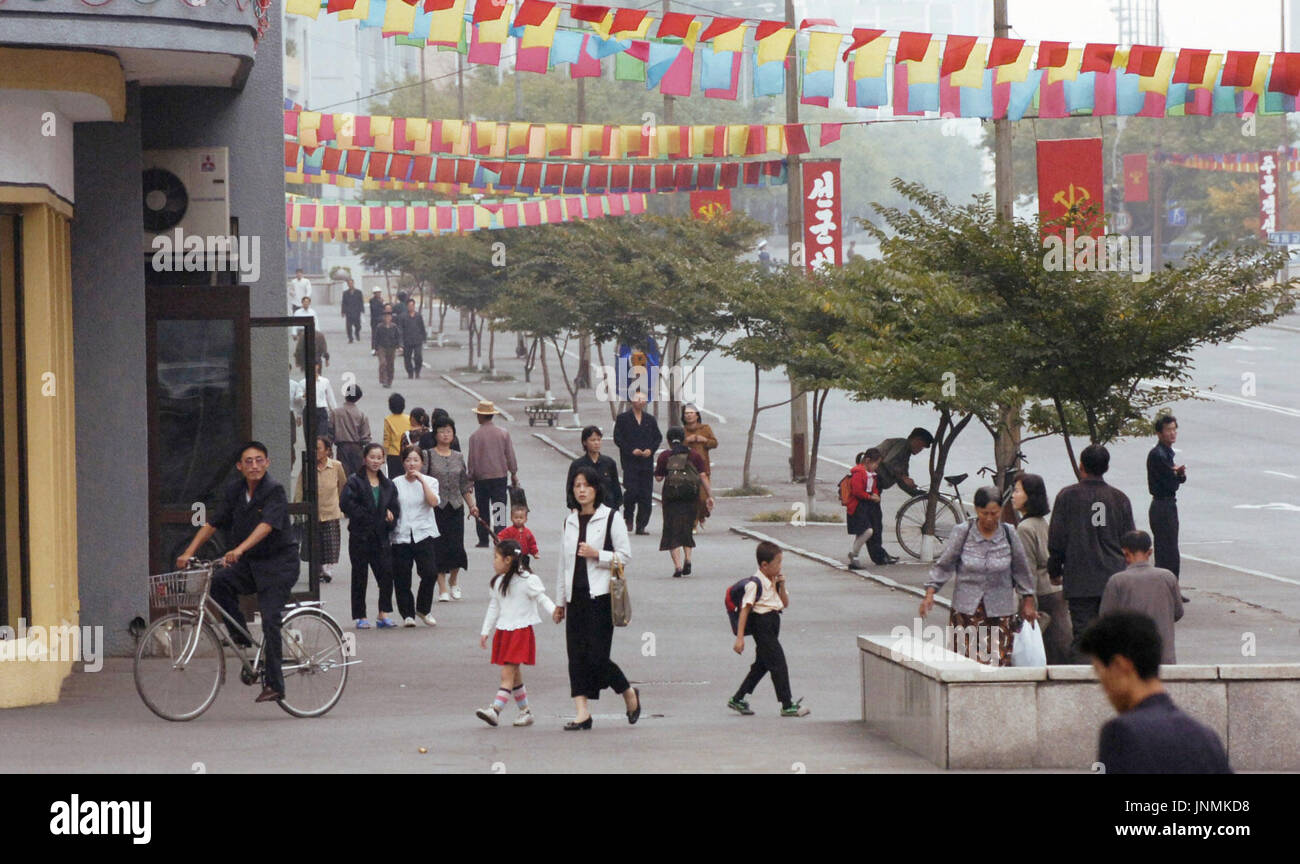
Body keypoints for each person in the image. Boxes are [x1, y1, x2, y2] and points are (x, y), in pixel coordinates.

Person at [175, 442, 299, 704]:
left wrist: (239, 549)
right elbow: (213, 523)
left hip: (278, 565)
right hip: (252, 564)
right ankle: (242, 641)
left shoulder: (274, 490)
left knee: (269, 618)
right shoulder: (235, 490)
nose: (254, 466)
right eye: (248, 461)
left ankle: (275, 684)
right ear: (240, 467)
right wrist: (188, 552)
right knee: (219, 582)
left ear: (267, 463)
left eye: (258, 460)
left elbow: (266, 526)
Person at [1079, 613, 1231, 773]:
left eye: (1099, 672)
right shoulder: (1206, 737)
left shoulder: (1123, 732)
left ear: (1119, 666)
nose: (1103, 687)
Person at [553, 466, 640, 730]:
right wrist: (559, 601)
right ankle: (582, 712)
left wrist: (596, 554)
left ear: (595, 489)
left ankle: (628, 692)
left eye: (586, 486)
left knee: (597, 658)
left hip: (600, 598)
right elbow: (563, 564)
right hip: (575, 597)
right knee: (576, 656)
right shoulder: (569, 521)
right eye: (576, 485)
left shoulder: (611, 518)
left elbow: (624, 557)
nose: (581, 490)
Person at [920, 486, 1037, 667]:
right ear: (976, 509)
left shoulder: (1009, 533)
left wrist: (1028, 600)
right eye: (984, 513)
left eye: (994, 513)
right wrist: (930, 592)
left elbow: (1021, 569)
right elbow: (945, 564)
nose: (989, 519)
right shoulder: (963, 532)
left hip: (1000, 613)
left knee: (998, 664)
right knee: (966, 665)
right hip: (967, 612)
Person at [1048, 444, 1136, 658]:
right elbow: (1130, 539)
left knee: (1083, 635)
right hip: (1114, 575)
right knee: (1113, 635)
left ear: (1081, 466)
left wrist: (1055, 568)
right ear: (1106, 467)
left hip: (1080, 577)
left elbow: (1057, 538)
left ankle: (1084, 681)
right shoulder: (1119, 498)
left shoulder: (1067, 496)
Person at [477, 540, 557, 728]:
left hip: (520, 632)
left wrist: (555, 611)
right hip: (504, 631)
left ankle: (495, 710)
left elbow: (542, 598)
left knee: (507, 673)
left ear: (508, 560)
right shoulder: (497, 582)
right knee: (515, 674)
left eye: (496, 557)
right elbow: (494, 606)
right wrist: (485, 630)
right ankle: (525, 711)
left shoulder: (527, 580)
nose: (493, 562)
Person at [728, 541, 810, 717]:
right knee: (778, 663)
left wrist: (782, 585)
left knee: (762, 665)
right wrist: (740, 638)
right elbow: (745, 610)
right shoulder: (755, 584)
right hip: (762, 625)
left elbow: (784, 604)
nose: (780, 566)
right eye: (778, 562)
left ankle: (738, 698)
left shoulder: (773, 581)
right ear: (764, 565)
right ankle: (787, 704)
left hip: (773, 622)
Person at [1013, 473, 1072, 665]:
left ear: (1029, 496)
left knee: (1045, 652)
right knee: (1061, 647)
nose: (1013, 495)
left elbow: (1026, 570)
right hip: (1056, 593)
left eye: (1017, 491)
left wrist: (1027, 603)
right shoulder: (1041, 523)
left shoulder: (1025, 528)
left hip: (1042, 597)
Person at [340, 443, 401, 629]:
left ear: (383, 460)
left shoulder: (388, 484)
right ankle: (360, 615)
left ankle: (384, 613)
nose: (375, 461)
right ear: (365, 458)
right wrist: (370, 516)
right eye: (372, 457)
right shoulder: (354, 481)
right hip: (360, 535)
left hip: (381, 536)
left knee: (386, 574)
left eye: (379, 458)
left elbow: (395, 507)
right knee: (360, 575)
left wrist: (391, 515)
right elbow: (346, 504)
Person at [1100, 531, 1184, 665]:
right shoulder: (1167, 577)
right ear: (1150, 552)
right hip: (1164, 657)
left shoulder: (1117, 581)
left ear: (1125, 553)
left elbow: (1106, 619)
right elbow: (1178, 612)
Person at [425, 416, 477, 602]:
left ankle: (454, 581)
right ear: (435, 434)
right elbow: (423, 482)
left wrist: (472, 506)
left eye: (449, 431)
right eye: (442, 431)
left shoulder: (458, 456)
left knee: (456, 547)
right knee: (438, 548)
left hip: (455, 507)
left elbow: (464, 484)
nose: (446, 434)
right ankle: (442, 588)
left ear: (453, 434)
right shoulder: (428, 455)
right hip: (436, 509)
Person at [391, 444, 441, 627]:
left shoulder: (431, 481)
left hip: (423, 532)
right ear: (403, 462)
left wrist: (421, 480)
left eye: (415, 460)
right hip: (401, 533)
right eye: (408, 460)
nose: (411, 464)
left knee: (430, 572)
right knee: (402, 575)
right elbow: (391, 506)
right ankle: (407, 614)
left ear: (422, 462)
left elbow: (433, 502)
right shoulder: (395, 483)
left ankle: (423, 609)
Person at [868, 427, 934, 564]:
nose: (920, 450)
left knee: (874, 521)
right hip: (870, 484)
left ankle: (879, 555)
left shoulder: (906, 453)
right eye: (921, 447)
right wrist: (904, 478)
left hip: (875, 486)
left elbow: (901, 478)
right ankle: (879, 557)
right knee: (874, 521)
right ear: (917, 440)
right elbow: (888, 462)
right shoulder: (902, 445)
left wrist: (915, 492)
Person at [654, 426, 712, 578]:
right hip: (690, 496)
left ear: (668, 440)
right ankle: (688, 558)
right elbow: (703, 476)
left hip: (671, 497)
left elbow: (659, 478)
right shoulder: (694, 455)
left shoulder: (665, 456)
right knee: (687, 527)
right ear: (684, 438)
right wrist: (709, 496)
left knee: (671, 529)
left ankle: (678, 566)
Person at [296, 435, 348, 584]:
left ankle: (327, 568)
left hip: (331, 510)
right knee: (315, 542)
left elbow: (343, 486)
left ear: (327, 451)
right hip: (313, 510)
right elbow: (300, 487)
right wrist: (298, 507)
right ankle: (318, 569)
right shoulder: (308, 467)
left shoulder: (336, 466)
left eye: (318, 448)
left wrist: (342, 505)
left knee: (330, 542)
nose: (315, 451)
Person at [1147, 415, 1188, 602]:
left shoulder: (1167, 453)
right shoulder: (1158, 454)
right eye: (1168, 430)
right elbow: (1170, 483)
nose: (1172, 433)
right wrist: (1177, 475)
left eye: (1174, 429)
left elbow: (1175, 480)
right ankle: (1167, 590)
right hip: (1162, 504)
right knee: (1166, 550)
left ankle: (1172, 588)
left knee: (1170, 549)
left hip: (1167, 504)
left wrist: (1178, 475)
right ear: (1159, 433)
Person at [466, 400, 518, 548]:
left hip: (481, 478)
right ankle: (500, 536)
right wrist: (513, 472)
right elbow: (510, 455)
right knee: (499, 506)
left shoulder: (474, 437)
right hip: (499, 477)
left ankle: (483, 539)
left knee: (482, 509)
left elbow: (472, 460)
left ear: (480, 417)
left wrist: (470, 480)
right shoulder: (503, 434)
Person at [613, 391, 661, 535]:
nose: (640, 401)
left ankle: (642, 525)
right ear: (632, 401)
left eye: (643, 399)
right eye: (637, 398)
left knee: (646, 494)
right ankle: (628, 516)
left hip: (646, 463)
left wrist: (650, 450)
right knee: (631, 491)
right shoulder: (623, 419)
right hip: (630, 462)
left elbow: (657, 438)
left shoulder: (650, 419)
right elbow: (618, 438)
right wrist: (630, 450)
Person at [565, 425, 622, 513]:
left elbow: (616, 488)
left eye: (598, 440)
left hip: (607, 509)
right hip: (585, 509)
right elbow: (570, 489)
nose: (596, 443)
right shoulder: (577, 465)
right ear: (584, 442)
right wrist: (574, 507)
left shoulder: (609, 463)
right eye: (592, 440)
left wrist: (616, 508)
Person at [682, 404, 717, 530]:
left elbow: (714, 443)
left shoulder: (705, 428)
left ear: (697, 415)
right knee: (692, 497)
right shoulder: (682, 431)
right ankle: (693, 524)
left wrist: (704, 440)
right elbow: (675, 446)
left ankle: (702, 514)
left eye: (691, 413)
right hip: (687, 468)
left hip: (703, 468)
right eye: (686, 413)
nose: (689, 415)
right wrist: (687, 441)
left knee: (703, 498)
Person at [845, 449, 882, 570]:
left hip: (865, 507)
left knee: (861, 532)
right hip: (857, 507)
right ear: (867, 461)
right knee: (867, 531)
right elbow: (857, 491)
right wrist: (870, 497)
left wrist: (875, 495)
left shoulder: (870, 475)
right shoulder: (859, 473)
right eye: (875, 464)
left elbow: (874, 487)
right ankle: (854, 554)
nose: (876, 467)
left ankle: (855, 557)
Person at [331, 384, 371, 478]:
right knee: (357, 476)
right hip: (357, 448)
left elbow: (330, 432)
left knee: (343, 475)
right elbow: (366, 437)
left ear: (345, 395)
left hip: (342, 448)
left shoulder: (335, 413)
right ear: (358, 398)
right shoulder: (361, 415)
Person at [497, 504, 540, 571]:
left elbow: (532, 544)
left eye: (521, 518)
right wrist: (499, 540)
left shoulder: (528, 532)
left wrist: (535, 552)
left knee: (526, 571)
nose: (518, 520)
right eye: (516, 517)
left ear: (526, 519)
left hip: (524, 556)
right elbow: (501, 536)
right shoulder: (508, 531)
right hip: (512, 555)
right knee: (511, 570)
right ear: (511, 518)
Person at [382, 393, 410, 479]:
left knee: (394, 479)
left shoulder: (388, 420)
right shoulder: (409, 418)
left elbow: (387, 439)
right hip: (407, 452)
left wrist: (384, 455)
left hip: (393, 454)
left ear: (390, 406)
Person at [310, 360, 337, 440]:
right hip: (310, 411)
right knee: (310, 436)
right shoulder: (303, 382)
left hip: (322, 411)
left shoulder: (325, 381)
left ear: (318, 366)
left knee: (322, 436)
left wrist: (335, 412)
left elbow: (330, 397)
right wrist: (299, 414)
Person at [374, 305, 401, 388]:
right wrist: (375, 349)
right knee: (383, 363)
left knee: (390, 365)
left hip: (391, 348)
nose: (387, 318)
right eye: (386, 316)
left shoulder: (394, 327)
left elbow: (398, 337)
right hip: (382, 347)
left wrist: (399, 346)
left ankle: (389, 380)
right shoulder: (379, 327)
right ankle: (384, 379)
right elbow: (376, 338)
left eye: (389, 316)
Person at [400, 298, 427, 379]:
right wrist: (400, 342)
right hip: (407, 340)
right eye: (409, 306)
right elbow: (400, 330)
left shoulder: (418, 316)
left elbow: (422, 327)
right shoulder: (403, 317)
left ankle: (417, 371)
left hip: (417, 340)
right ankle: (410, 372)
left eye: (412, 305)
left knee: (418, 356)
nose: (411, 307)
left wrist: (424, 338)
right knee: (407, 358)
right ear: (407, 306)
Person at [340, 278, 365, 344]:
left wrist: (362, 310)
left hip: (357, 312)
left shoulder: (359, 292)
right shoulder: (345, 293)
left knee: (358, 326)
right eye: (349, 283)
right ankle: (350, 338)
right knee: (348, 326)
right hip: (349, 312)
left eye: (351, 283)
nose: (350, 285)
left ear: (353, 283)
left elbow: (361, 301)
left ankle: (357, 333)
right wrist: (343, 312)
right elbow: (343, 303)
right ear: (347, 285)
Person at [368, 287, 386, 355]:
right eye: (377, 293)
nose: (379, 294)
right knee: (374, 335)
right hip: (375, 320)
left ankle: (381, 348)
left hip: (381, 320)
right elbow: (375, 309)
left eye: (379, 292)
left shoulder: (382, 300)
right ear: (374, 293)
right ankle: (374, 348)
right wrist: (381, 304)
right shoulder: (372, 300)